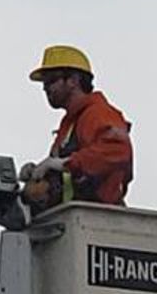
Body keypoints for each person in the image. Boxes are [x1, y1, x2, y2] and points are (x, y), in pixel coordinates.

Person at [19, 45, 133, 212]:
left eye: (51, 81)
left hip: (98, 218)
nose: (45, 88)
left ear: (73, 80)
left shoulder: (97, 113)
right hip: (75, 219)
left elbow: (117, 151)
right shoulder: (70, 123)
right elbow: (67, 173)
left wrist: (63, 163)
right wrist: (37, 172)